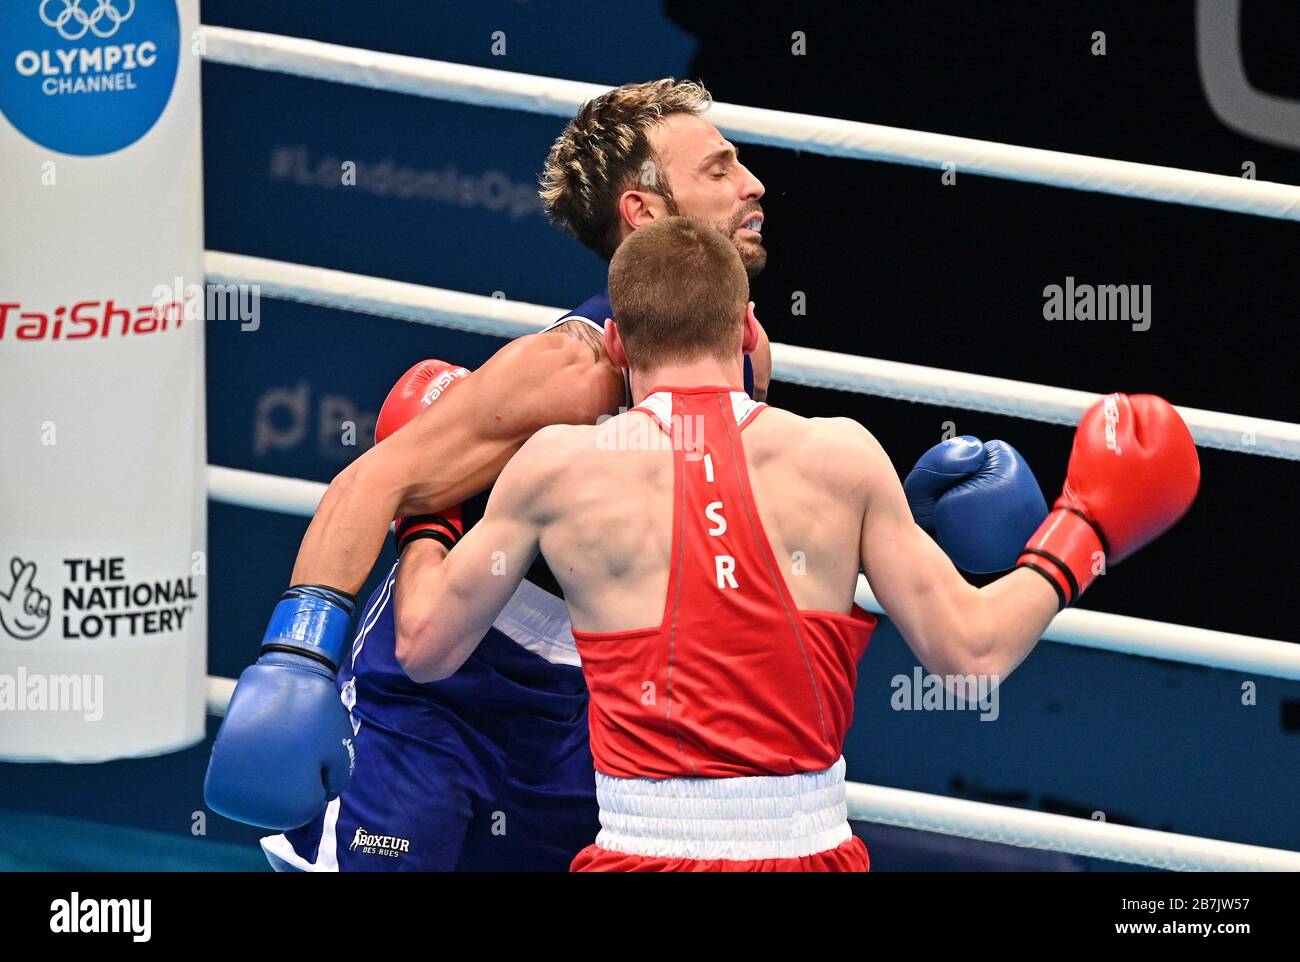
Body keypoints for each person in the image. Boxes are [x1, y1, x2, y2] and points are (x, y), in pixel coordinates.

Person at [205, 80, 1046, 870]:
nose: (753, 183)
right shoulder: (569, 373)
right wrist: (295, 662)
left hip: (593, 709)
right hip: (439, 701)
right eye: (719, 168)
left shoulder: (744, 349)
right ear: (644, 211)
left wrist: (887, 525)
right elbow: (372, 483)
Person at [391, 216, 1200, 872]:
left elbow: (424, 647)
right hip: (807, 853)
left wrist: (430, 516)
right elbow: (973, 651)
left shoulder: (555, 469)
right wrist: (1086, 529)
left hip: (640, 851)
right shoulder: (841, 457)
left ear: (615, 346)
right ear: (747, 327)